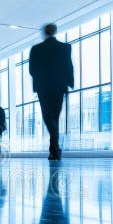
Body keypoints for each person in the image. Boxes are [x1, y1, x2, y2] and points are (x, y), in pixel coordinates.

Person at [29, 23, 74, 160]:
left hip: (44, 88)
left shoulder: (36, 49)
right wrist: (69, 82)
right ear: (54, 32)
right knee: (54, 117)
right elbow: (69, 66)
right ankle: (54, 149)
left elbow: (32, 70)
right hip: (59, 88)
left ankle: (54, 149)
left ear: (44, 32)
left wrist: (39, 81)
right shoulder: (65, 47)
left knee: (48, 117)